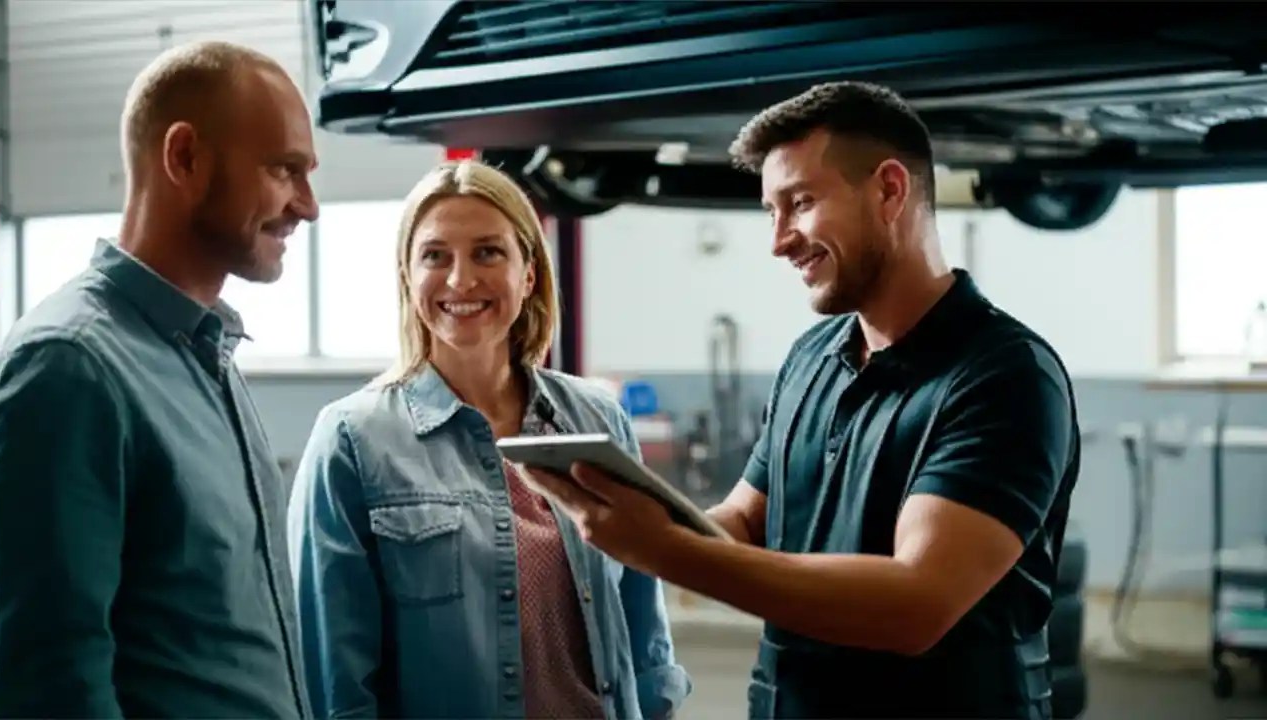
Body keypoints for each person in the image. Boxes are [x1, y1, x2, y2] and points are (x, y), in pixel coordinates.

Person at [521, 81, 1082, 720]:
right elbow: (739, 523)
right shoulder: (811, 358)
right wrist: (613, 512)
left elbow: (915, 605)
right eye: (771, 211)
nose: (780, 240)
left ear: (890, 190)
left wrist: (667, 550)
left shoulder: (1004, 375)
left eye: (801, 203)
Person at [287, 159, 692, 720]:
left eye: (487, 252)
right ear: (407, 276)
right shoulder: (352, 441)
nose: (460, 280)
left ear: (528, 273)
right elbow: (334, 682)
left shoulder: (598, 419)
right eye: (435, 256)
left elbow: (644, 626)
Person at [0, 40, 319, 718]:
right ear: (185, 157)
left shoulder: (208, 354)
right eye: (284, 170)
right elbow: (53, 687)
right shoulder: (68, 366)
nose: (308, 206)